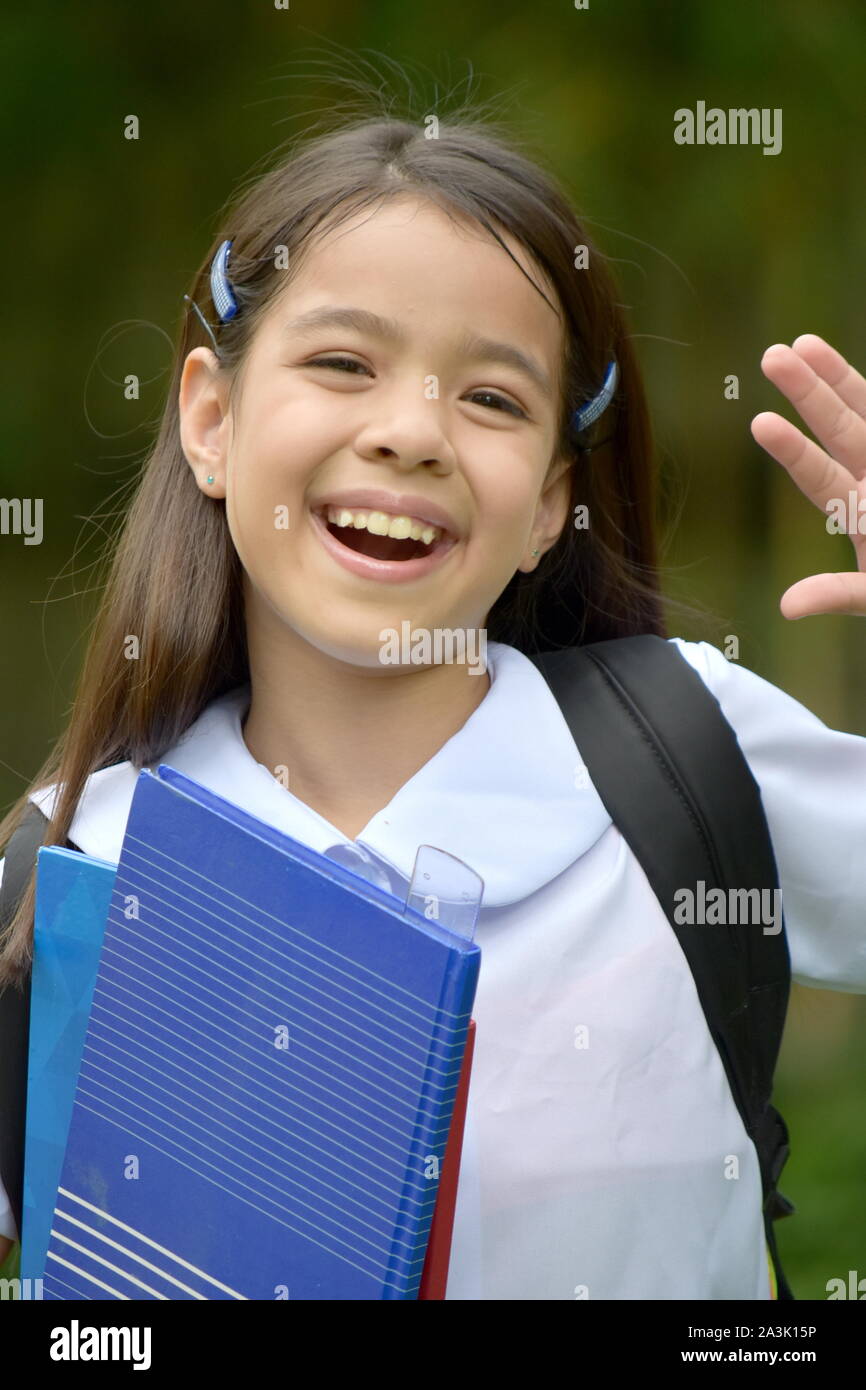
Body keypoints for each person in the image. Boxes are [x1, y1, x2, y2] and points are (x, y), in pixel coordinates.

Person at [1, 107, 865, 1299]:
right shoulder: (69, 863)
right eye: (342, 362)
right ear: (210, 417)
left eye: (493, 399)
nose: (410, 433)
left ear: (553, 501)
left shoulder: (692, 758)